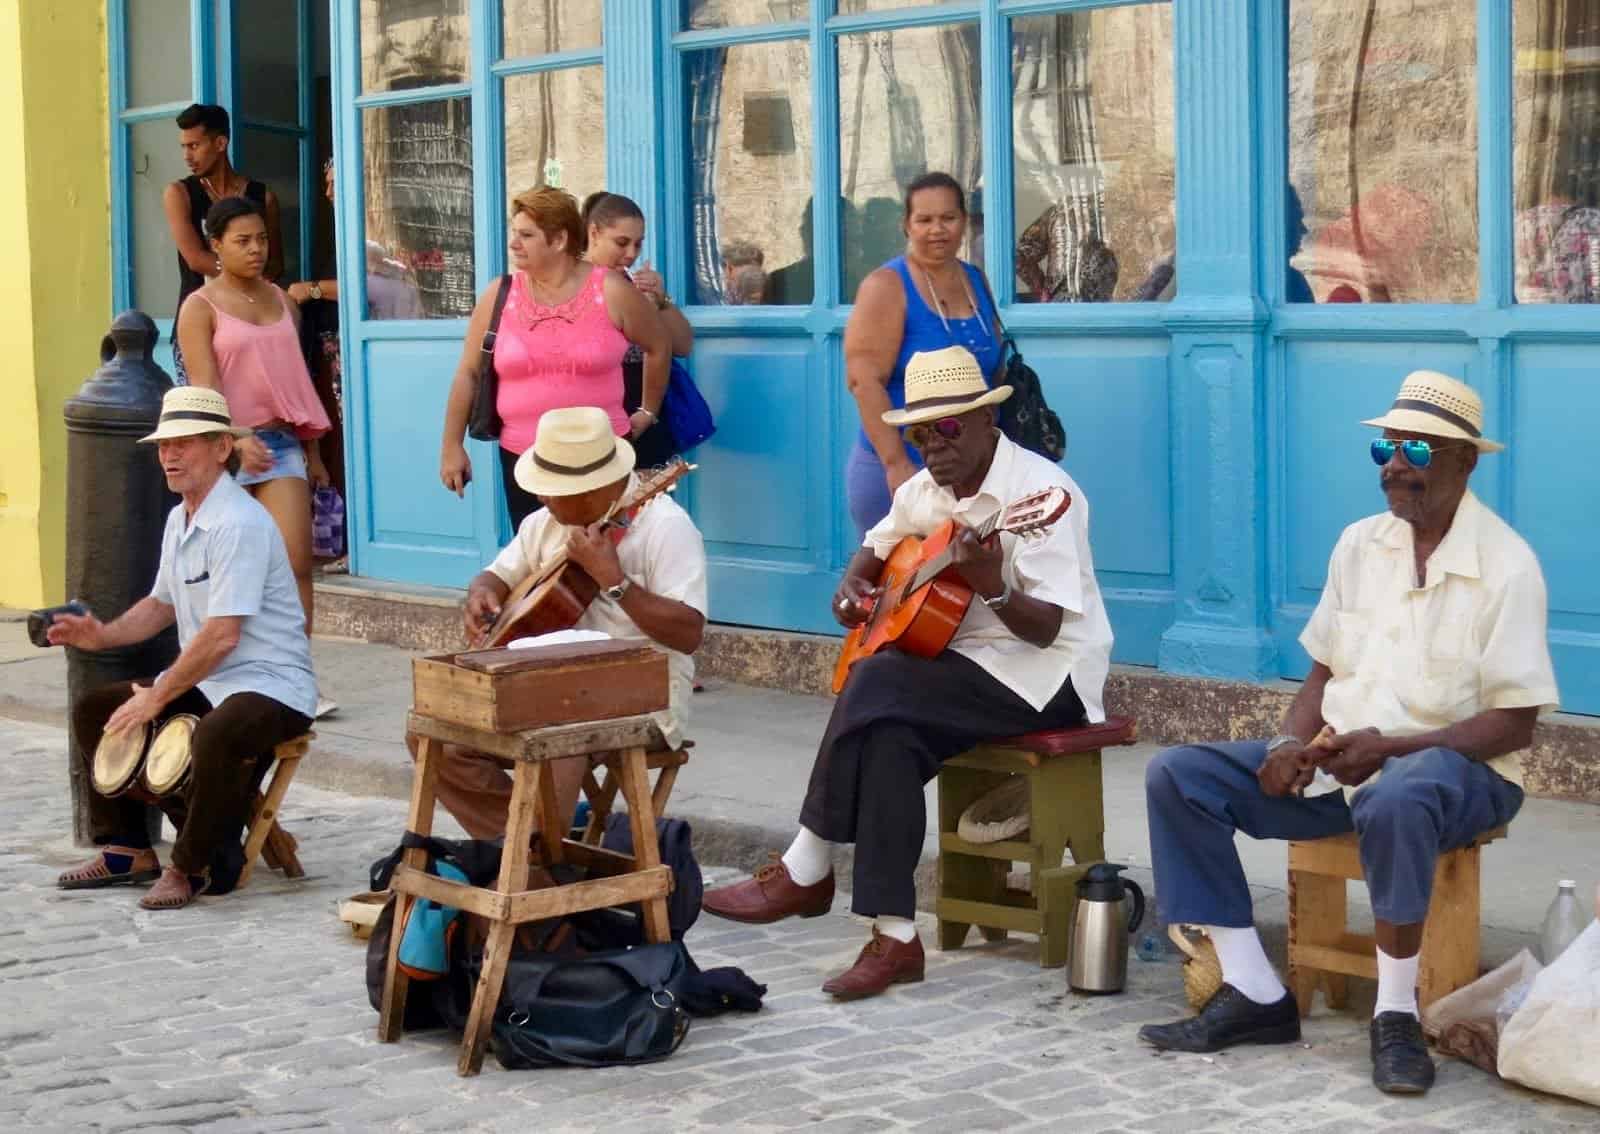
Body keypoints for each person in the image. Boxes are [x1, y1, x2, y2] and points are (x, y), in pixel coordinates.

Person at [1138, 370, 1557, 1096]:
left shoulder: (1508, 566)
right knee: (1179, 775)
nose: (1395, 467)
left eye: (1416, 452)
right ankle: (1254, 990)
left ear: (1464, 460)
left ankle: (1395, 1015)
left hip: (1461, 776)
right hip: (1347, 766)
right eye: (1387, 452)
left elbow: (1514, 721)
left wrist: (1390, 751)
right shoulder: (1360, 545)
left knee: (1400, 793)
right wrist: (1285, 747)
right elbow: (1320, 674)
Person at [702, 347, 1113, 1000]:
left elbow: (1049, 630)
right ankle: (895, 937)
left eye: (947, 428)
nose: (934, 447)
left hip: (1046, 679)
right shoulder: (928, 489)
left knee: (876, 680)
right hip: (961, 669)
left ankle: (806, 863)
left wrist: (992, 587)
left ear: (985, 423)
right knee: (887, 733)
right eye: (919, 433)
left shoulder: (1040, 495)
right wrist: (854, 590)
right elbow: (877, 545)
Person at [48, 387, 317, 910]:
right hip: (214, 681)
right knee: (98, 709)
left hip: (272, 685)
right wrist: (101, 635)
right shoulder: (181, 519)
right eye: (164, 445)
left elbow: (222, 635)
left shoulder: (238, 522)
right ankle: (127, 848)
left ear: (222, 448)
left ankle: (191, 866)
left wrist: (157, 695)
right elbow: (160, 604)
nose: (169, 455)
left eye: (184, 443)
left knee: (212, 733)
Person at [418, 406, 707, 838]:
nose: (541, 499)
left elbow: (689, 633)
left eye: (552, 490)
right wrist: (483, 593)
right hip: (549, 685)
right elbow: (497, 574)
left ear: (595, 488)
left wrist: (615, 582)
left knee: (559, 727)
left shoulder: (666, 527)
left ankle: (531, 852)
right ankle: (533, 850)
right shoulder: (545, 523)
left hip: (645, 695)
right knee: (438, 735)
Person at [175, 197, 335, 718]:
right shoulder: (200, 308)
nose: (256, 250)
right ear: (216, 245)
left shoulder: (283, 303)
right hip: (226, 449)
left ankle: (296, 679)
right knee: (219, 573)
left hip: (283, 444)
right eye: (243, 241)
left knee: (295, 564)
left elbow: (300, 381)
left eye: (262, 239)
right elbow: (205, 388)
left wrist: (312, 452)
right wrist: (234, 440)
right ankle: (217, 683)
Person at [439, 187, 671, 530]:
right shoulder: (499, 294)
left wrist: (648, 411)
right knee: (539, 565)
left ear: (560, 239)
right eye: (514, 233)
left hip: (601, 461)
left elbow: (659, 345)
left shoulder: (610, 290)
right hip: (526, 463)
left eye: (527, 235)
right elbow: (469, 373)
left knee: (604, 561)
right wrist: (451, 446)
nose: (514, 244)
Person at [842, 172, 1002, 541]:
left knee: (971, 587)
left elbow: (992, 371)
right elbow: (863, 381)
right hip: (906, 466)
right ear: (906, 225)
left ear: (964, 222)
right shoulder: (886, 285)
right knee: (900, 593)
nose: (937, 230)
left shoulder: (975, 279)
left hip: (971, 470)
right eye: (924, 220)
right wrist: (896, 467)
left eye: (948, 218)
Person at [163, 104, 284, 383]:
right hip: (198, 327)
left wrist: (251, 276)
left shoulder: (263, 197)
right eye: (183, 147)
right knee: (207, 417)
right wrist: (248, 273)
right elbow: (195, 258)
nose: (187, 156)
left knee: (254, 417)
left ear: (220, 143)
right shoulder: (180, 193)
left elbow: (275, 264)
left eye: (194, 145)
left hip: (252, 327)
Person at [580, 191, 694, 468]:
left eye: (638, 244)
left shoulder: (634, 285)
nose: (631, 254)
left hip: (641, 404)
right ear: (594, 233)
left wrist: (660, 300)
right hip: (590, 408)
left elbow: (682, 346)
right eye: (621, 243)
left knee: (646, 503)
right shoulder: (572, 283)